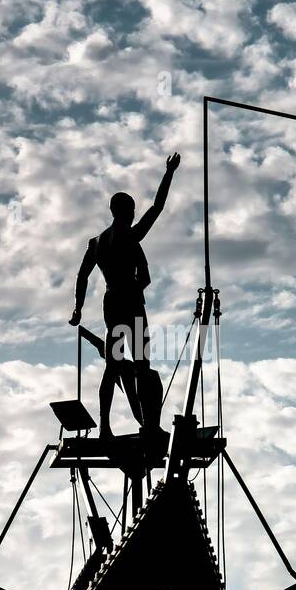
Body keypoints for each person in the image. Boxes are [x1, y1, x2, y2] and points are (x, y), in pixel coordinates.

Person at [70, 152, 181, 437]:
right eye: (132, 211)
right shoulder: (129, 237)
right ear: (125, 211)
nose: (134, 215)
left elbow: (83, 276)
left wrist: (78, 308)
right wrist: (169, 173)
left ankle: (107, 426)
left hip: (112, 303)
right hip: (130, 304)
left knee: (113, 366)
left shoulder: (97, 243)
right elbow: (157, 207)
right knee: (142, 367)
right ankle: (149, 426)